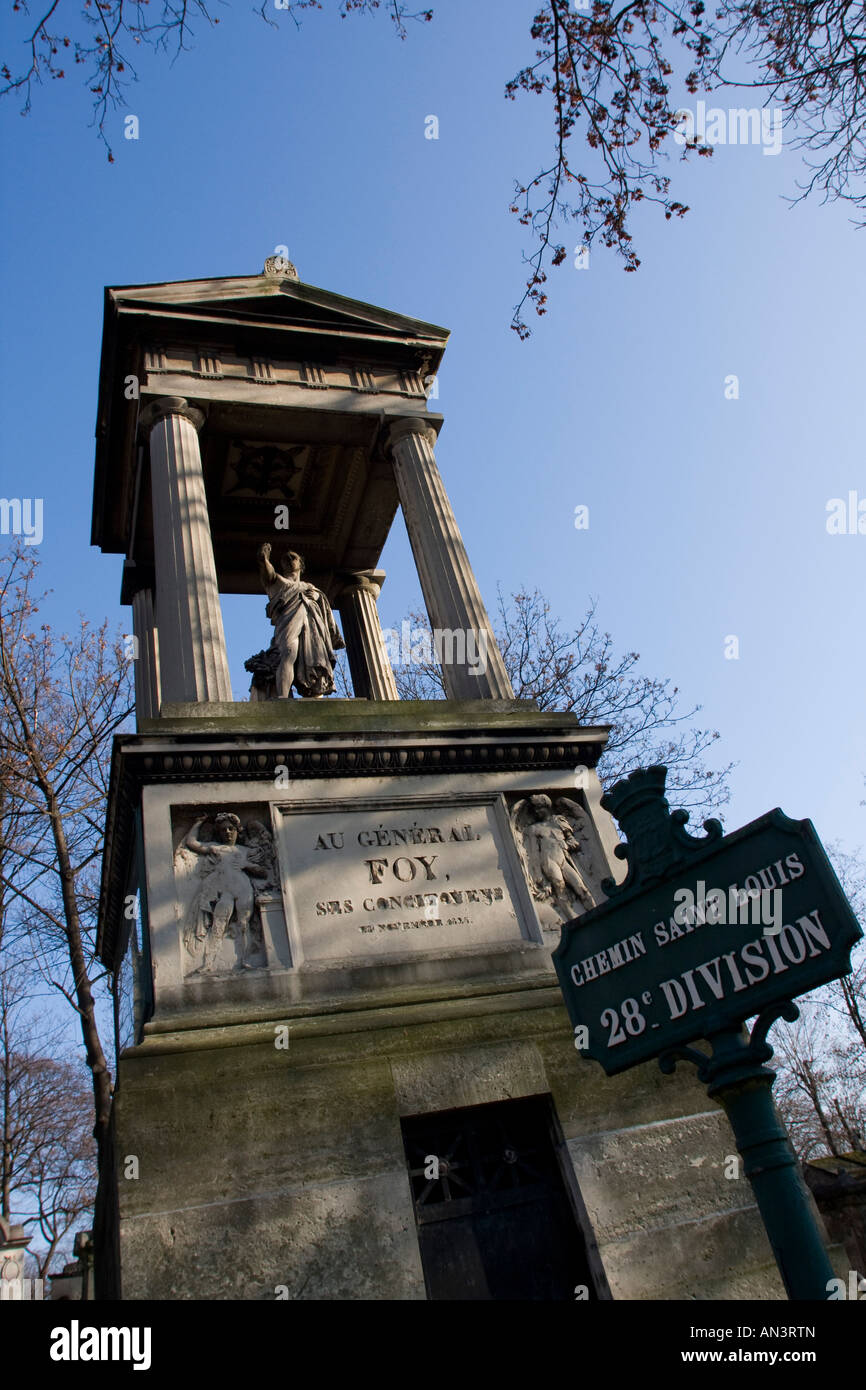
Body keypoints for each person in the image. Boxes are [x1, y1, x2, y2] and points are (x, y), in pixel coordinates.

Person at [255, 544, 345, 698]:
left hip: (312, 628)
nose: (289, 560)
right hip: (288, 624)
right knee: (288, 652)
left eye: (293, 557)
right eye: (285, 559)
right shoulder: (280, 581)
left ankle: (316, 697)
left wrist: (317, 597)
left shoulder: (310, 587)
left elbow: (323, 605)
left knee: (316, 660)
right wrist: (264, 561)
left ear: (301, 565)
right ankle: (282, 697)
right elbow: (269, 575)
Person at [183, 813, 268, 973]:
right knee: (218, 925)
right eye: (224, 830)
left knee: (244, 925)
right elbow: (191, 843)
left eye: (231, 828)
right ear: (219, 833)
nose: (228, 832)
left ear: (237, 830)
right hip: (225, 891)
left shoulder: (245, 851)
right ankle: (208, 963)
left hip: (243, 889)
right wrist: (198, 823)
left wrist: (246, 865)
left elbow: (263, 872)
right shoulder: (216, 848)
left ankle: (245, 961)